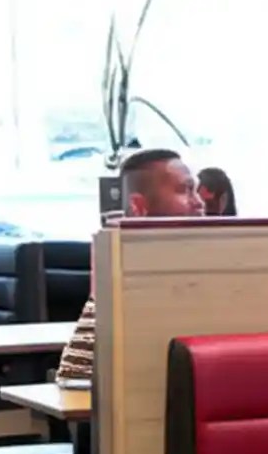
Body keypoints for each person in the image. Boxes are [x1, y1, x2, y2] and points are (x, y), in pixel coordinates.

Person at [55, 149, 205, 388]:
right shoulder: (128, 274)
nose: (199, 202)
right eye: (184, 190)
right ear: (138, 206)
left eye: (195, 190)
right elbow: (76, 373)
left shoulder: (209, 268)